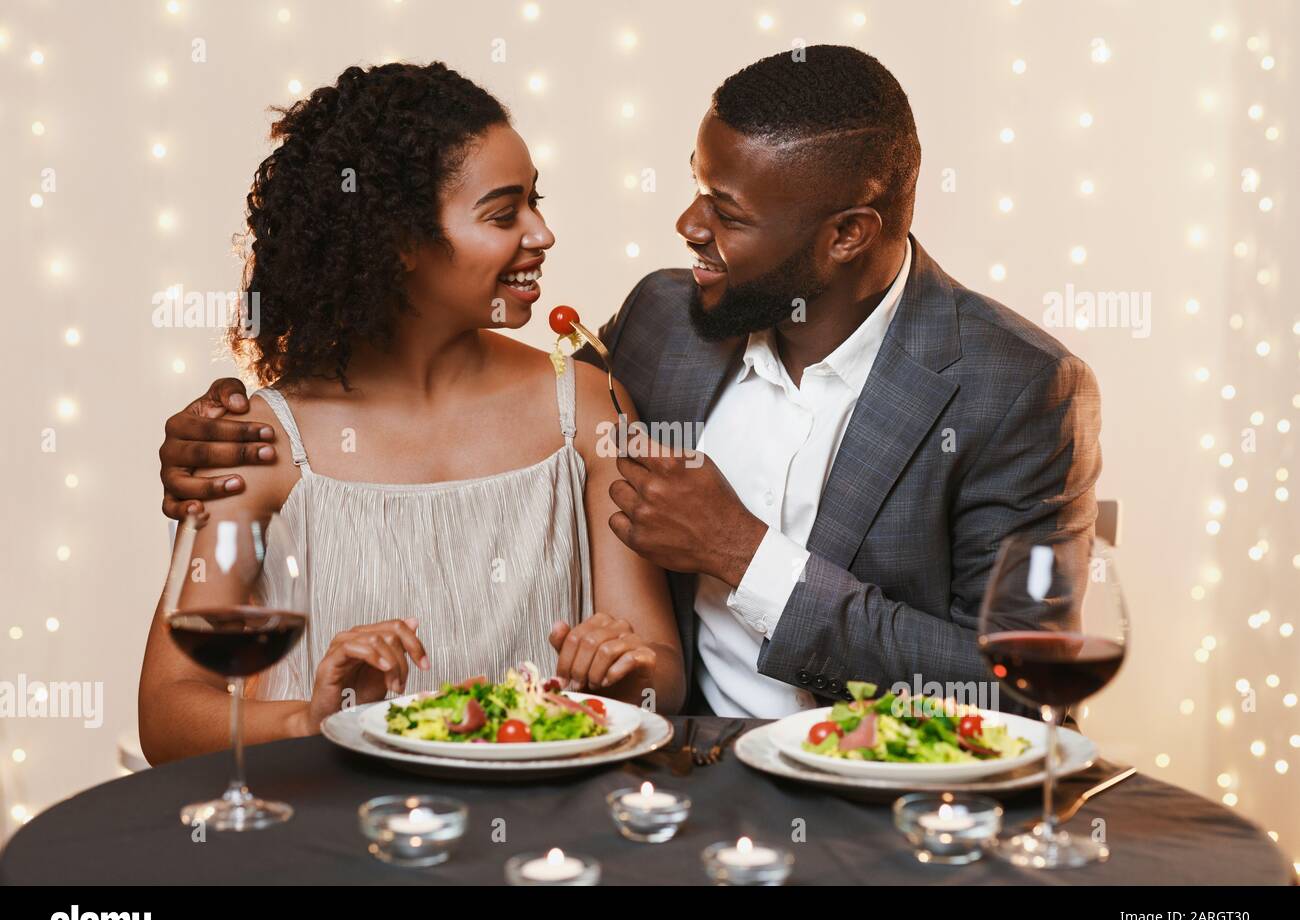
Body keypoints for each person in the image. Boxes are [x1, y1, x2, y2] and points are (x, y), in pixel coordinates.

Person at [155, 47, 1101, 721]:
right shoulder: (666, 321)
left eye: (724, 210)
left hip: (895, 807)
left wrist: (744, 553)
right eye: (697, 185)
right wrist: (218, 438)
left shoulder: (1018, 388)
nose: (686, 223)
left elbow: (1018, 686)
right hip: (681, 792)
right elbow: (493, 387)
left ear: (846, 232)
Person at [139, 62, 684, 765]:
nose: (542, 233)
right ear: (399, 242)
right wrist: (310, 717)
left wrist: (631, 669)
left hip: (536, 830)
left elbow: (661, 668)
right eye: (503, 212)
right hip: (333, 841)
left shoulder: (581, 403)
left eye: (535, 202)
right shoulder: (261, 444)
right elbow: (168, 712)